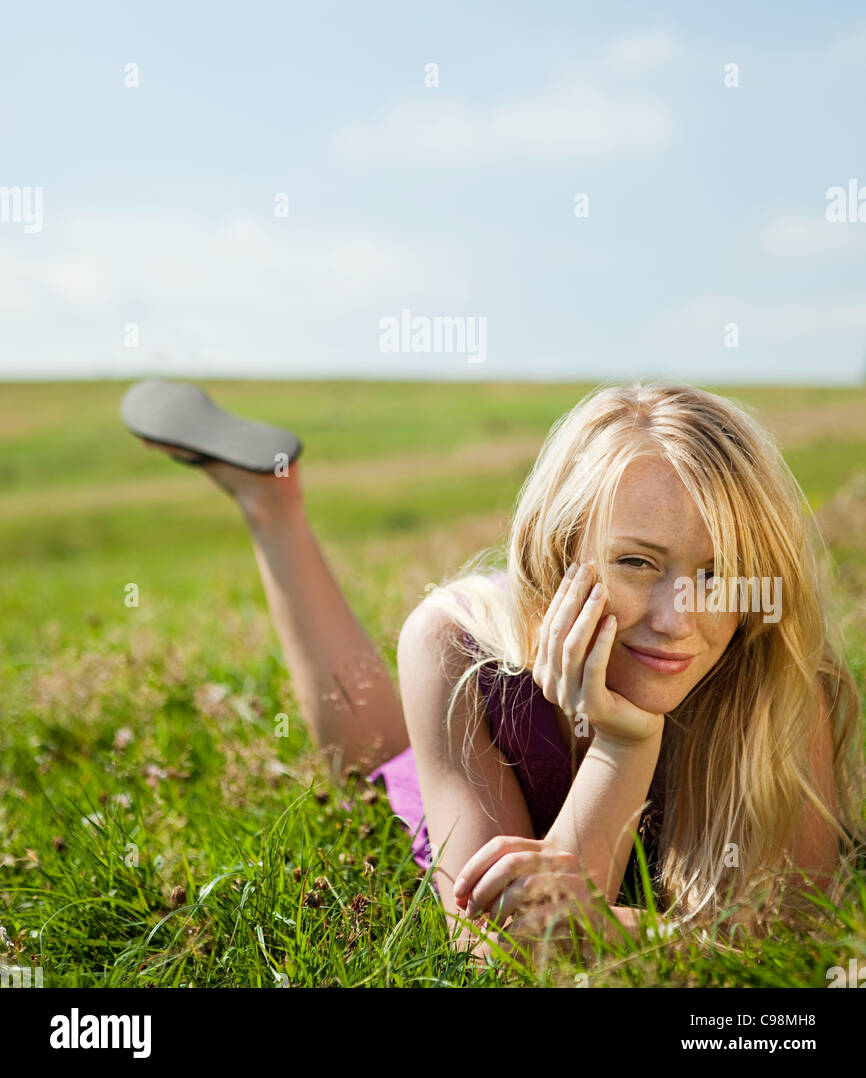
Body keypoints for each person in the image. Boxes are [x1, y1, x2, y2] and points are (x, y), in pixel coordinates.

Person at [121, 379, 865, 961]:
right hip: (499, 708)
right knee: (378, 761)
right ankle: (270, 502)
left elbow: (798, 946)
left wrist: (615, 935)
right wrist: (623, 748)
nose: (677, 619)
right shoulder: (461, 650)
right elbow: (505, 958)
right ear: (560, 549)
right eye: (636, 562)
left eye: (718, 572)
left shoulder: (779, 670)